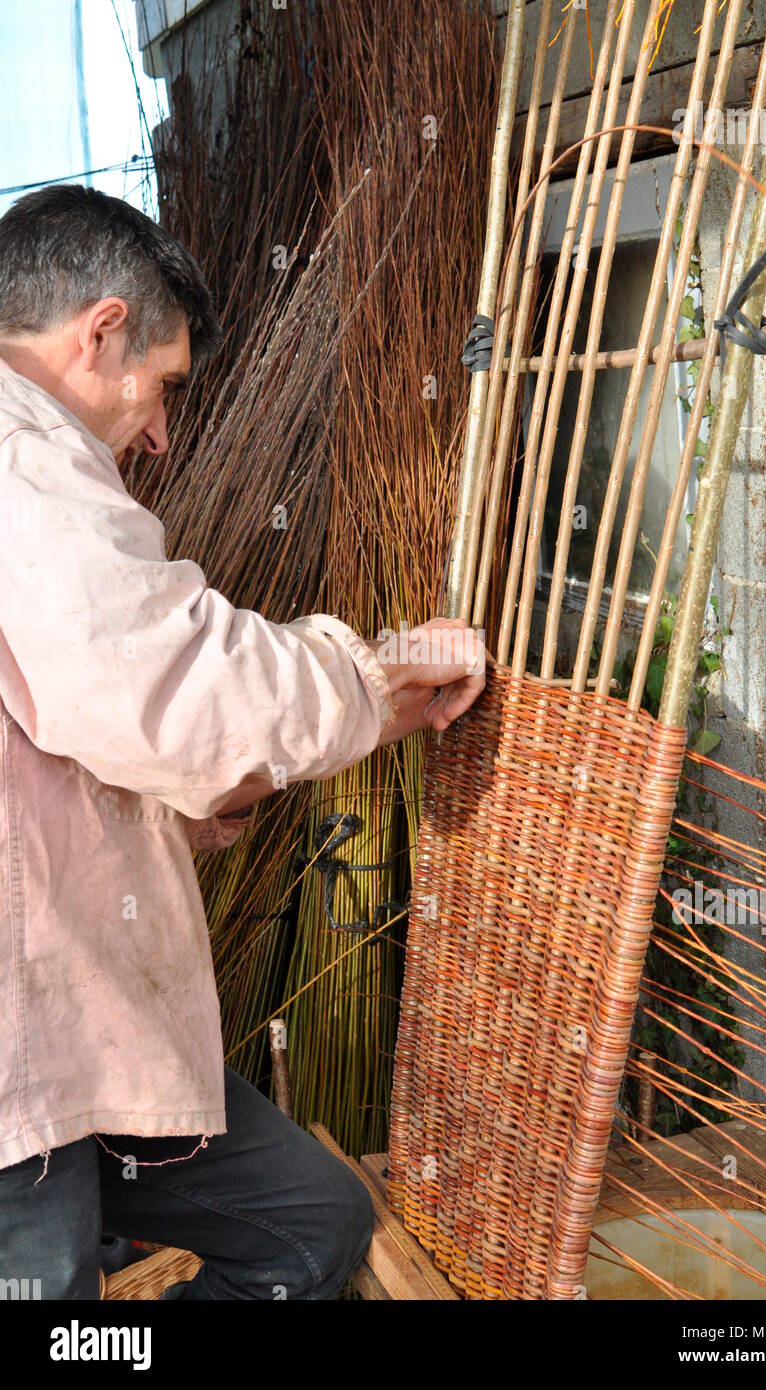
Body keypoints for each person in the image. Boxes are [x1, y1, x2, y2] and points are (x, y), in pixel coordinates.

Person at [0, 185, 486, 1300]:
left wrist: (192, 801)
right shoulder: (21, 459)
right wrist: (366, 674)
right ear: (101, 328)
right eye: (165, 386)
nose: (165, 433)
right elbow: (170, 679)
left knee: (309, 1219)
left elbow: (75, 724)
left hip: (72, 1027)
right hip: (18, 1075)